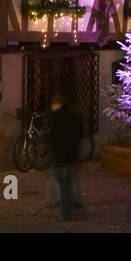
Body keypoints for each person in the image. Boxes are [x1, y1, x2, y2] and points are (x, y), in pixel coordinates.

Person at [47, 92, 84, 222]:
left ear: (56, 104)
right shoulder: (75, 115)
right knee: (71, 182)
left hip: (60, 155)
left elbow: (51, 136)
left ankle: (65, 213)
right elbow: (81, 133)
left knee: (63, 185)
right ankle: (76, 203)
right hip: (73, 154)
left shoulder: (55, 117)